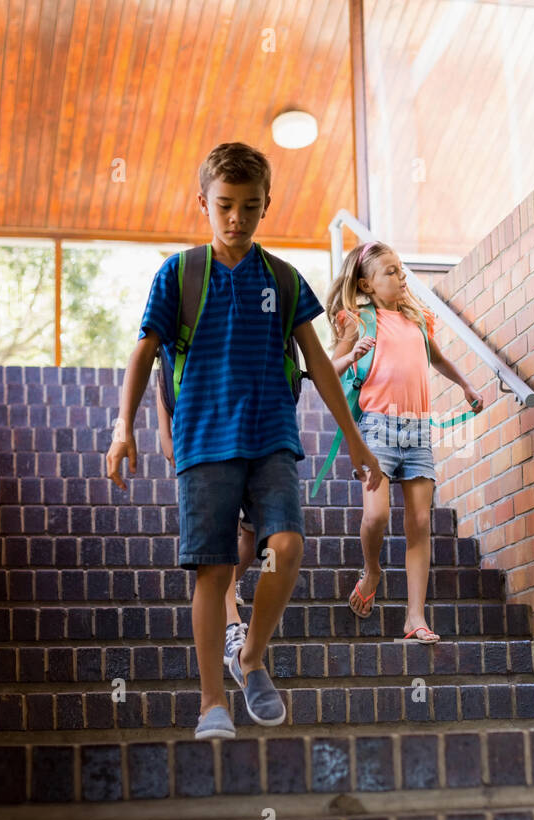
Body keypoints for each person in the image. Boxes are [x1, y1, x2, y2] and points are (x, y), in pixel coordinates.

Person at [106, 142, 381, 740]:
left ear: (266, 207)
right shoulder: (179, 273)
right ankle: (211, 704)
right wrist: (124, 427)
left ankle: (251, 655)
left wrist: (355, 440)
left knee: (286, 547)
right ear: (203, 202)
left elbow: (318, 363)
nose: (236, 218)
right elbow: (144, 351)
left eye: (250, 207)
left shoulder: (282, 279)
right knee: (212, 568)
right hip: (203, 443)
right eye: (225, 205)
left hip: (272, 438)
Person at [327, 241, 482, 643]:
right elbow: (328, 369)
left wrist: (465, 386)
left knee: (419, 523)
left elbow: (436, 358)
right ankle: (373, 570)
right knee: (376, 516)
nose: (401, 277)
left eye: (401, 269)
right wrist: (352, 353)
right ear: (367, 284)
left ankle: (415, 616)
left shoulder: (419, 319)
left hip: (417, 431)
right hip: (377, 429)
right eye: (390, 272)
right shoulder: (358, 319)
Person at [155, 379, 254, 667]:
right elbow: (163, 364)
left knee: (256, 531)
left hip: (248, 430)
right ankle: (232, 625)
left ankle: (229, 582)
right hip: (204, 438)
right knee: (223, 532)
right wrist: (165, 434)